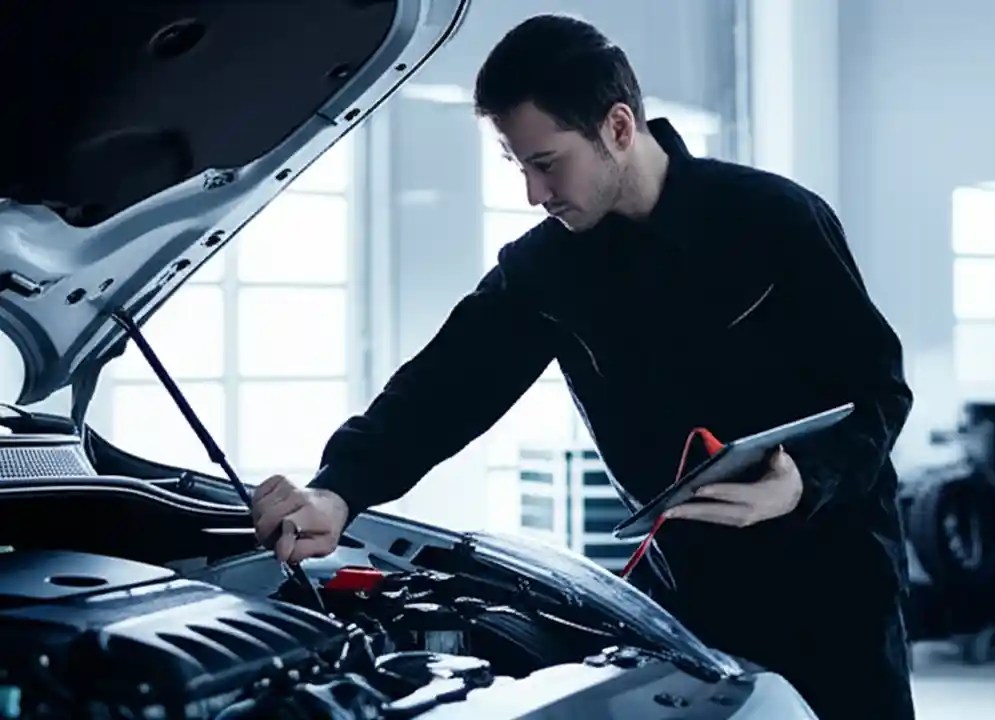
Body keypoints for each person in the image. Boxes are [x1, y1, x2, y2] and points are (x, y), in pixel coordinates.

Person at [250, 13, 915, 719]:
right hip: (689, 600)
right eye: (517, 166)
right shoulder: (544, 269)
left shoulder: (778, 220)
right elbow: (440, 390)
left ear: (619, 127)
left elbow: (877, 389)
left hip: (835, 584)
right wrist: (338, 491)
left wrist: (803, 483)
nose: (534, 194)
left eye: (546, 162)